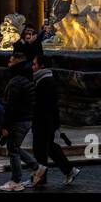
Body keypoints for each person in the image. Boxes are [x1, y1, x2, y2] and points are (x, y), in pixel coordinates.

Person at [29, 54, 80, 187]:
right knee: (50, 148)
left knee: (40, 149)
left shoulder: (45, 82)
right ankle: (69, 170)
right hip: (46, 121)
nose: (32, 67)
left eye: (34, 64)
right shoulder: (43, 79)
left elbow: (45, 104)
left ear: (42, 66)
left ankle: (40, 177)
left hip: (43, 121)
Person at [0, 54, 38, 191]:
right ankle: (36, 167)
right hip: (26, 118)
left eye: (10, 61)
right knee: (15, 148)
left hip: (18, 120)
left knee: (13, 151)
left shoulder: (16, 81)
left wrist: (5, 125)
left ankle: (16, 181)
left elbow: (11, 106)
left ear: (16, 63)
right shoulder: (27, 78)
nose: (8, 64)